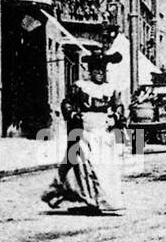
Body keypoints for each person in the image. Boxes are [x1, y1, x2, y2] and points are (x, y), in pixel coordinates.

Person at [40, 46, 125, 215]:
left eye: (103, 71)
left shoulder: (110, 89)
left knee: (106, 166)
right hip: (85, 131)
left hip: (103, 132)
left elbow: (119, 107)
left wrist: (115, 116)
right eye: (97, 70)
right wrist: (72, 114)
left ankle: (104, 200)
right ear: (90, 71)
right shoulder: (80, 87)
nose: (100, 74)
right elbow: (67, 103)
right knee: (87, 165)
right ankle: (87, 198)